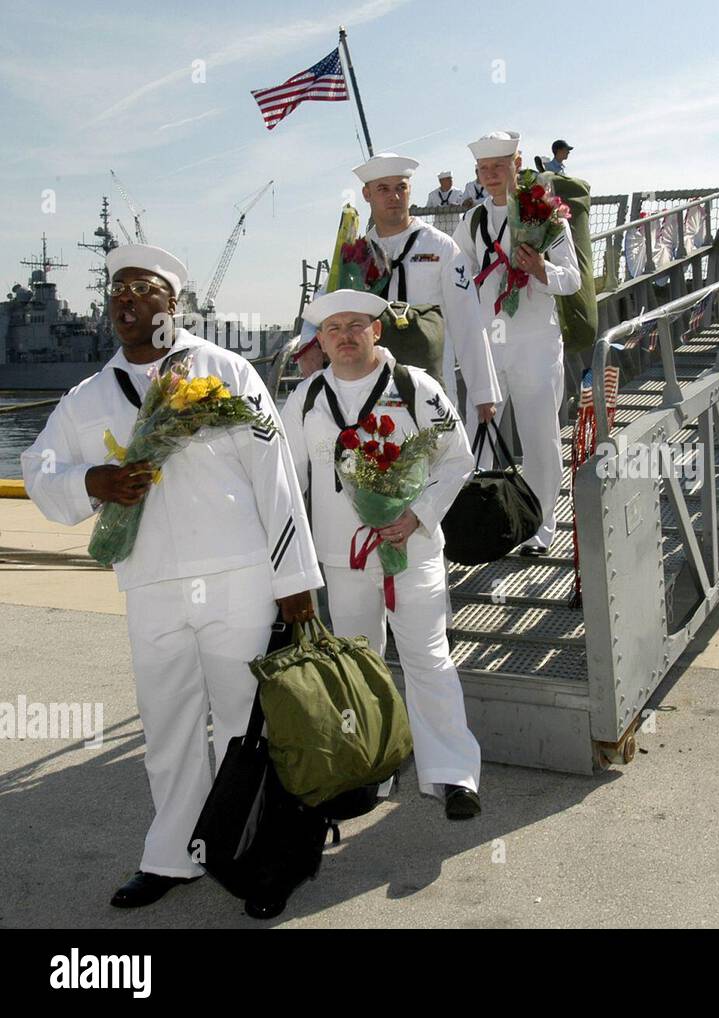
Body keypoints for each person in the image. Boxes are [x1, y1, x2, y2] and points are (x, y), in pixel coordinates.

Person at [21, 244, 321, 910]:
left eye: (141, 287)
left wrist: (294, 578)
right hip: (150, 583)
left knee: (251, 727)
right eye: (115, 290)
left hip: (237, 575)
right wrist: (89, 481)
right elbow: (39, 468)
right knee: (168, 725)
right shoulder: (88, 395)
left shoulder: (228, 371)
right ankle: (173, 857)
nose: (124, 299)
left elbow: (276, 481)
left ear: (172, 302)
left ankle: (265, 861)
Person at [282, 288, 481, 820]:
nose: (345, 336)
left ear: (377, 330)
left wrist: (419, 514)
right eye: (332, 329)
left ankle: (453, 774)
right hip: (341, 560)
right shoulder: (302, 400)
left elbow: (457, 458)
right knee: (360, 662)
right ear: (320, 342)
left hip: (413, 550)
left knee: (427, 657)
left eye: (355, 325)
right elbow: (287, 485)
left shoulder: (416, 388)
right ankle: (375, 767)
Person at [452, 131, 581, 555]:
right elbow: (458, 279)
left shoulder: (546, 214)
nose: (490, 176)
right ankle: (481, 525)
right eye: (482, 170)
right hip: (490, 341)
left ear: (517, 164)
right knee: (479, 433)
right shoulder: (470, 222)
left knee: (539, 435)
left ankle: (542, 528)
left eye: (498, 167)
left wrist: (542, 270)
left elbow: (573, 279)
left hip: (535, 343)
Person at [353, 152, 499, 424]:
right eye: (383, 189)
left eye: (401, 188)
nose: (394, 197)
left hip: (432, 387)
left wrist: (483, 393)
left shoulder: (441, 248)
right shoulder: (356, 254)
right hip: (371, 389)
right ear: (366, 194)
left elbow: (467, 320)